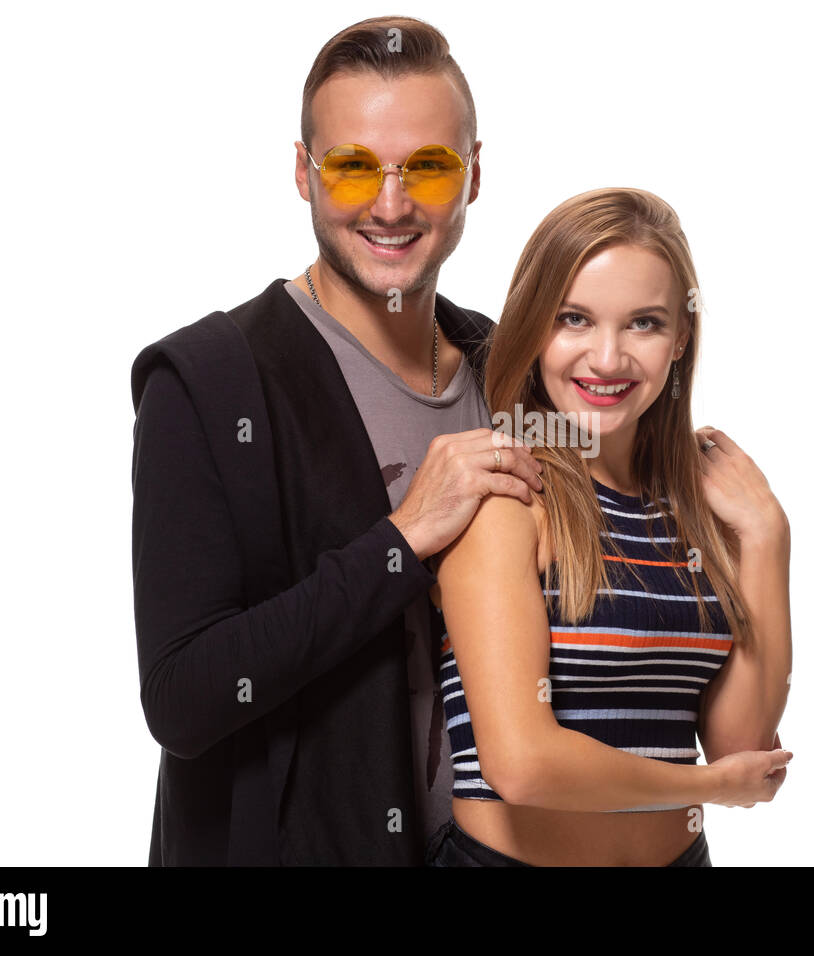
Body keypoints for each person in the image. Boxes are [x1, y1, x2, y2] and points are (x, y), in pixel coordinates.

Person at [128, 16, 543, 865]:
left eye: (427, 166)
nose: (390, 205)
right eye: (354, 166)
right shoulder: (208, 381)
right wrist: (402, 540)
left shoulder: (509, 372)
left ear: (473, 178)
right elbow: (184, 698)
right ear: (302, 174)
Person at [426, 188, 794, 866]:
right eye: (574, 319)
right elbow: (523, 764)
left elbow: (743, 748)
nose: (607, 358)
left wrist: (768, 537)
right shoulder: (507, 501)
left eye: (644, 324)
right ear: (534, 327)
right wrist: (709, 786)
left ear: (680, 338)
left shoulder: (697, 512)